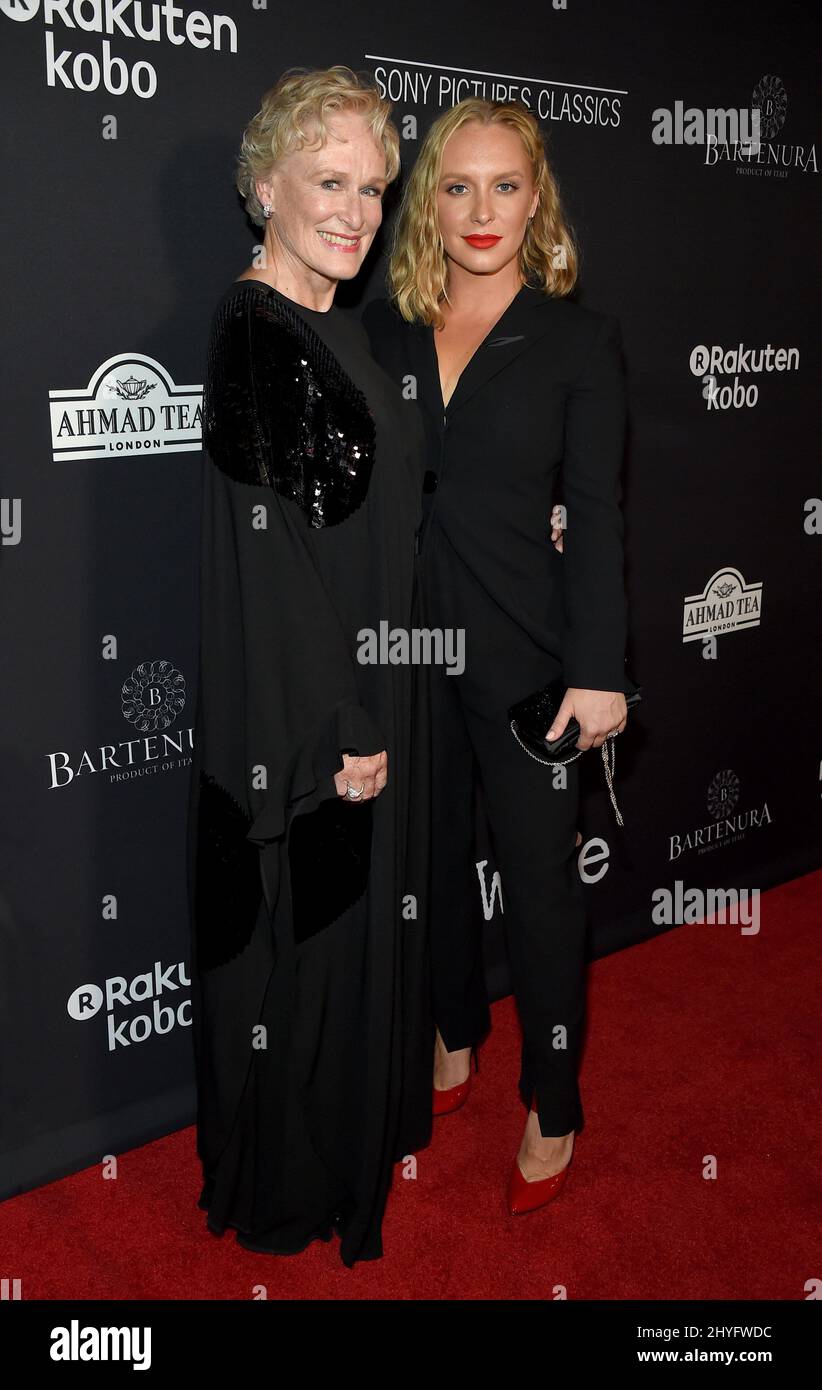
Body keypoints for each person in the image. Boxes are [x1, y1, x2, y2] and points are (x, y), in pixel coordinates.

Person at [362, 98, 632, 1215]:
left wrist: (601, 667)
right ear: (430, 199)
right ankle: (456, 1036)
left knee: (541, 894)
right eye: (458, 186)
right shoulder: (380, 327)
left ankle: (555, 1094)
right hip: (407, 648)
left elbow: (600, 517)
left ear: (538, 199)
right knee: (421, 867)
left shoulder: (577, 338)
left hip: (528, 655)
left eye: (505, 185)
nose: (482, 210)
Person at [186, 66, 432, 1267]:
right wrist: (341, 723)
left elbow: (358, 503)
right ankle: (294, 1175)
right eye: (327, 182)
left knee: (345, 937)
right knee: (311, 937)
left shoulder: (328, 318)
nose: (354, 212)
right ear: (262, 187)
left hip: (359, 675)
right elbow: (273, 563)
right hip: (310, 714)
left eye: (373, 187)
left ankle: (343, 1144)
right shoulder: (253, 332)